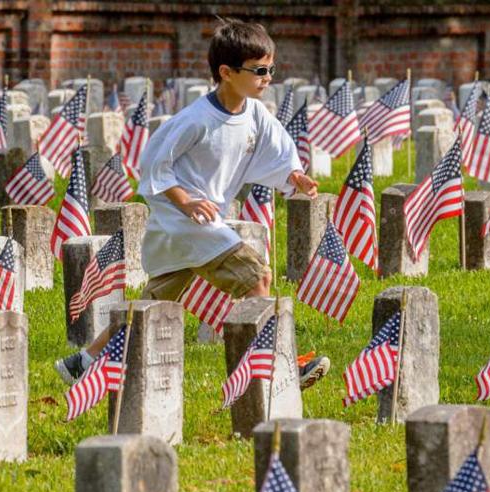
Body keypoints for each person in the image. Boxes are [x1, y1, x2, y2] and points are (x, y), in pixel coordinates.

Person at [56, 18, 330, 390]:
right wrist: (185, 202)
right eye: (260, 70)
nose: (268, 77)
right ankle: (276, 364)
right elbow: (153, 162)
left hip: (197, 226)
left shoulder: (254, 113)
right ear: (226, 72)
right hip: (186, 222)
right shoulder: (196, 119)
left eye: (272, 69)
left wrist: (294, 176)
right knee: (258, 276)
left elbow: (279, 148)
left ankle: (83, 361)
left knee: (151, 306)